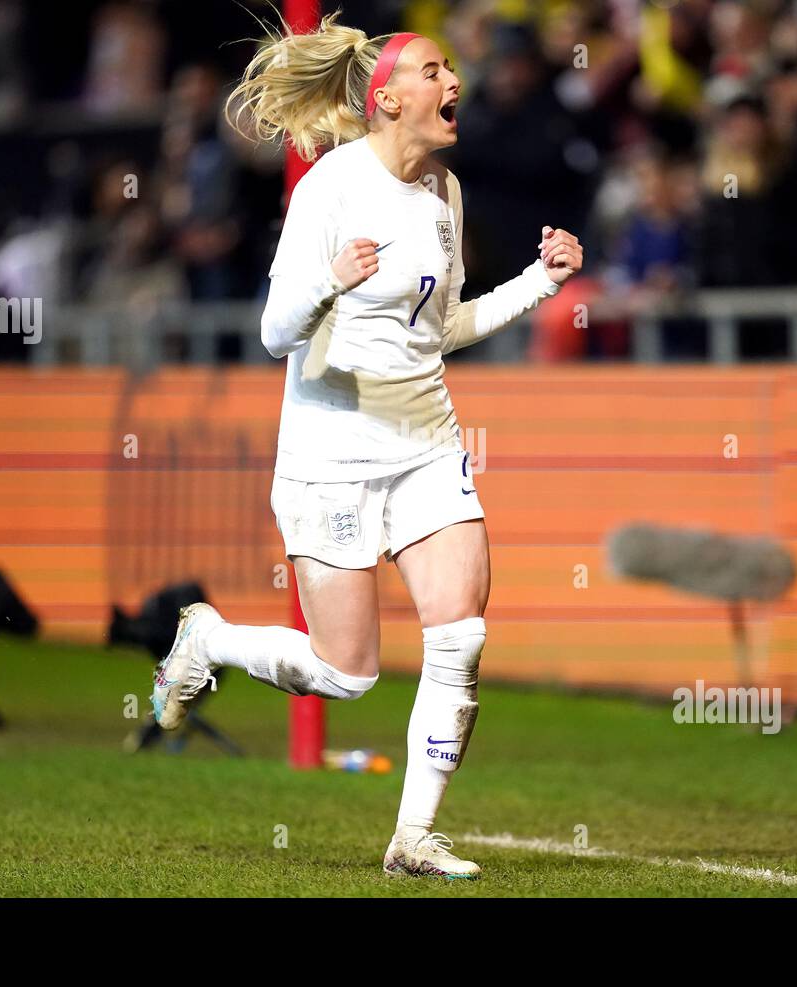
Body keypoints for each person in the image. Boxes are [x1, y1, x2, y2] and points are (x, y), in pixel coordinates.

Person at [148, 13, 582, 880]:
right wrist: (327, 282)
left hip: (427, 440)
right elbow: (275, 331)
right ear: (387, 100)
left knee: (460, 634)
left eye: (451, 67)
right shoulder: (330, 189)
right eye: (432, 68)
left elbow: (443, 329)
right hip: (331, 455)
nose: (451, 80)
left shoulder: (445, 195)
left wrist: (540, 282)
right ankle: (209, 640)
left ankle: (413, 837)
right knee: (347, 676)